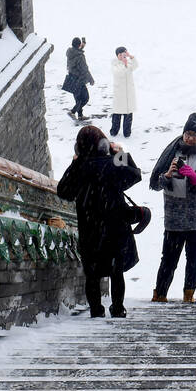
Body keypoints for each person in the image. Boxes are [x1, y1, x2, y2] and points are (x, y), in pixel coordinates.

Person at [55, 125, 143, 319]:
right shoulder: (112, 163)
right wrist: (119, 153)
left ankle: (96, 310)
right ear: (103, 144)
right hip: (116, 226)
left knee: (92, 274)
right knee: (116, 272)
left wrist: (75, 163)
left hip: (90, 228)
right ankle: (118, 308)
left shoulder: (80, 167)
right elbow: (135, 175)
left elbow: (63, 191)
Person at [148, 112, 196, 303]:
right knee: (168, 260)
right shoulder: (172, 153)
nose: (190, 138)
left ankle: (189, 295)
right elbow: (156, 184)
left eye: (195, 135)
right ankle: (160, 295)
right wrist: (168, 175)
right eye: (187, 133)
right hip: (174, 219)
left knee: (194, 260)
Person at [110, 46, 139, 138]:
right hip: (120, 94)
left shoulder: (128, 61)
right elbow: (119, 73)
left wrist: (131, 57)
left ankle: (127, 132)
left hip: (129, 93)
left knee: (128, 114)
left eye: (124, 54)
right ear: (117, 55)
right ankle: (114, 131)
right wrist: (125, 65)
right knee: (117, 114)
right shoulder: (115, 64)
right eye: (121, 54)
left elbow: (136, 66)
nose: (123, 56)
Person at [64, 37, 94, 120]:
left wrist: (82, 45)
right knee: (85, 98)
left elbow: (77, 51)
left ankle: (80, 116)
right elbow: (84, 69)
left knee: (78, 99)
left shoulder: (70, 52)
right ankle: (73, 112)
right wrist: (91, 79)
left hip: (71, 79)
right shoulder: (80, 57)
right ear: (79, 45)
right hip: (79, 80)